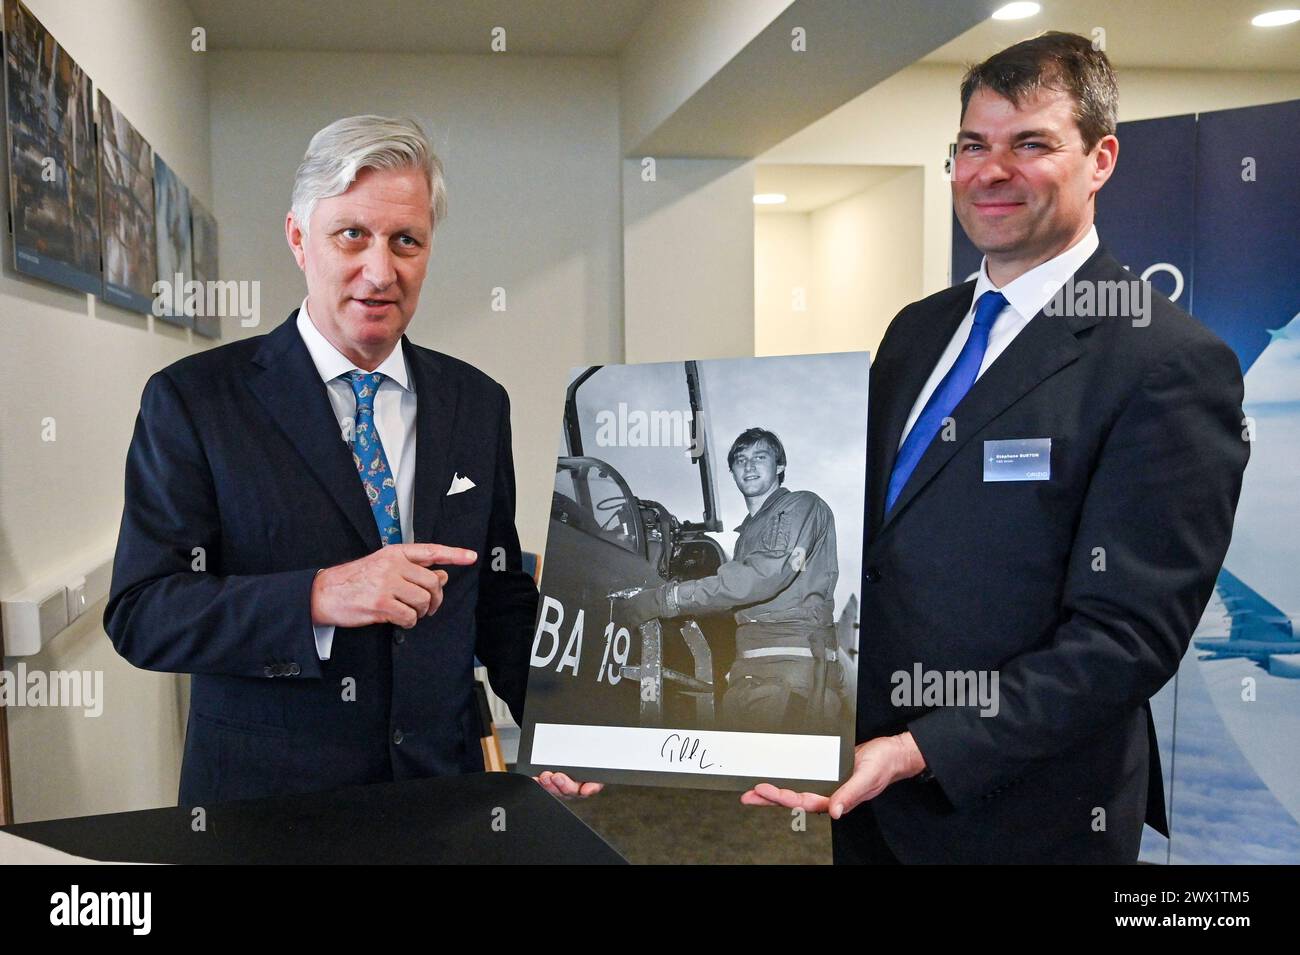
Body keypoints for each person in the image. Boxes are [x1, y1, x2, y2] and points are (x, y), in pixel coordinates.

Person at [741, 33, 1249, 863]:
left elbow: (1125, 639)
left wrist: (920, 748)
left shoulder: (1166, 362)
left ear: (1102, 159)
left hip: (1025, 815)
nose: (991, 171)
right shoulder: (917, 331)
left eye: (1031, 144)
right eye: (972, 146)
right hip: (868, 803)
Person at [104, 115, 595, 803]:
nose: (380, 270)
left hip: (440, 797)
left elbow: (498, 596)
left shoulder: (477, 402)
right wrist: (320, 595)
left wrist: (568, 727)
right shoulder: (194, 400)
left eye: (406, 241)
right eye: (352, 235)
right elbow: (143, 611)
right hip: (267, 811)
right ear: (299, 239)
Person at [620, 427, 841, 731]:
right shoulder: (750, 531)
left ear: (780, 467)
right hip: (753, 674)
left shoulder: (799, 506)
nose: (748, 465)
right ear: (733, 471)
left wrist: (666, 598)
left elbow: (762, 576)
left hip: (787, 676)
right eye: (740, 459)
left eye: (760, 457)